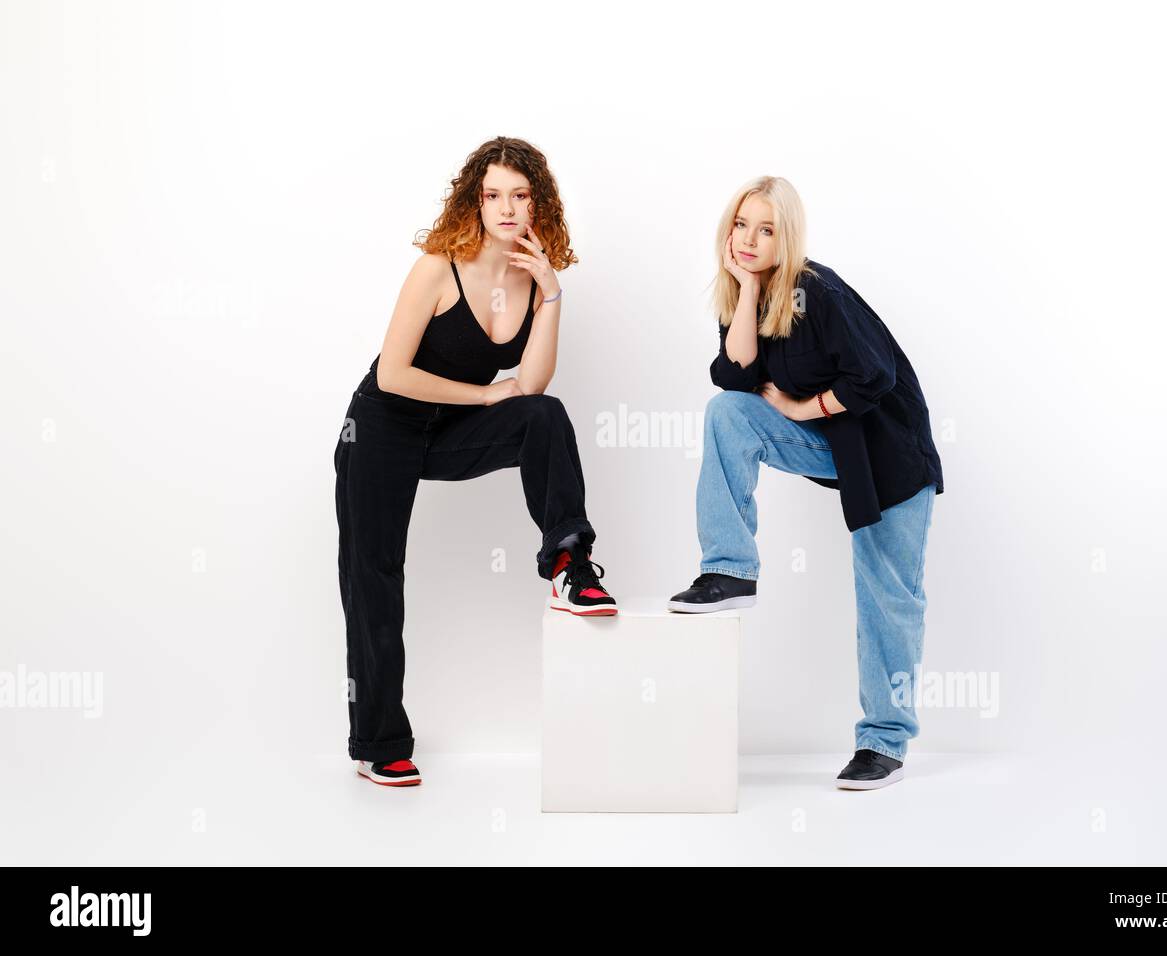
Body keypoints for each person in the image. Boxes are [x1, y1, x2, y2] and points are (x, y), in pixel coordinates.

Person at [335, 137, 617, 788]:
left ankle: (570, 564)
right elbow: (395, 374)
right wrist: (485, 393)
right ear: (475, 200)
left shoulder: (531, 276)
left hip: (448, 431)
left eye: (520, 195)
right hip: (380, 429)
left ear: (538, 203)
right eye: (493, 195)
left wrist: (551, 294)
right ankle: (379, 744)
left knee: (543, 417)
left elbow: (534, 387)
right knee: (374, 578)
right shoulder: (440, 266)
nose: (506, 208)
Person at [666, 175, 944, 791]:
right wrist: (744, 288)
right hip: (836, 447)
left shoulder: (815, 291)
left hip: (890, 458)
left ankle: (884, 742)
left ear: (786, 237)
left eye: (766, 229)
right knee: (727, 415)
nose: (749, 239)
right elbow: (734, 378)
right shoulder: (751, 295)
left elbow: (873, 375)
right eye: (741, 225)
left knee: (888, 598)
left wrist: (800, 409)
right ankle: (731, 567)